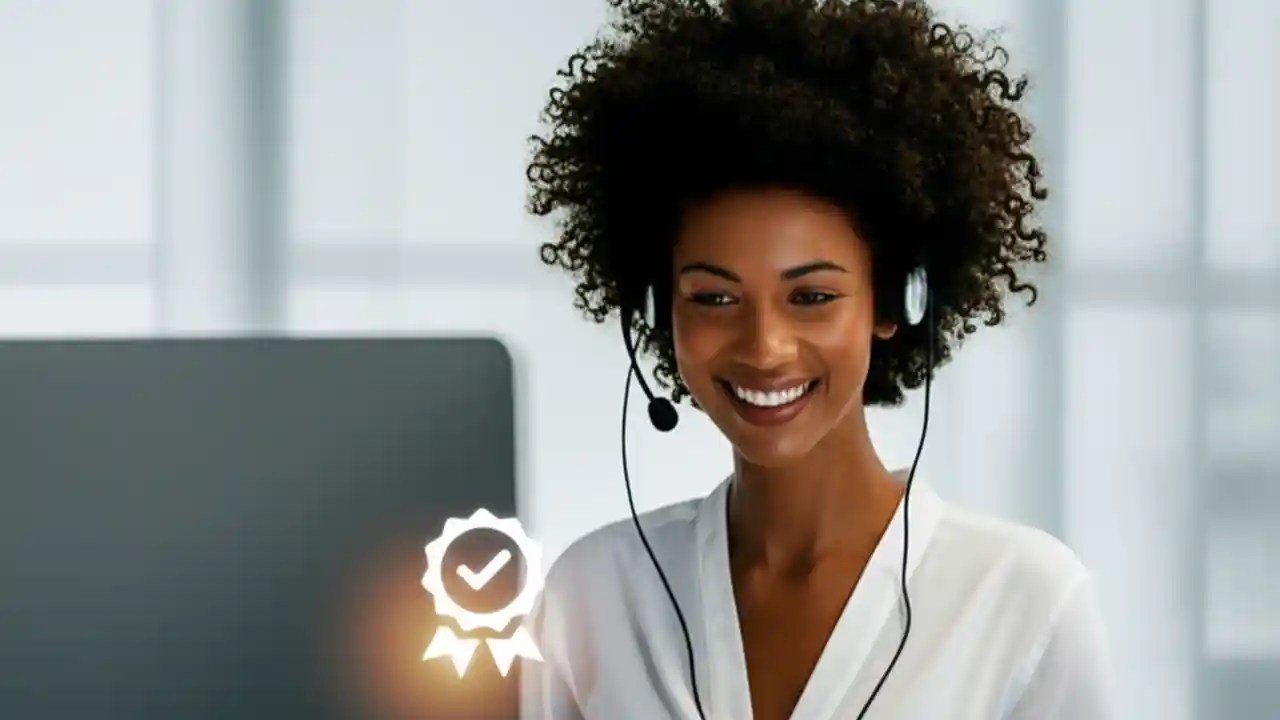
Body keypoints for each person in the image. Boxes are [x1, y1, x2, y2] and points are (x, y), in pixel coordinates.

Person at [520, 1, 1114, 718]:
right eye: (713, 299)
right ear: (655, 309)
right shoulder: (595, 595)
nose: (764, 347)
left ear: (895, 301)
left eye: (811, 297)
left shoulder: (1021, 600)